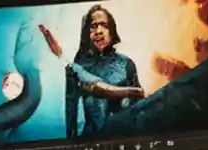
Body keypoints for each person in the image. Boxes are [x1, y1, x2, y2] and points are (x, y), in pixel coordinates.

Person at [45, 5, 145, 139]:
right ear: (87, 34)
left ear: (112, 30)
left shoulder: (126, 64)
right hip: (91, 142)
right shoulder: (79, 66)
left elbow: (138, 108)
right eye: (93, 26)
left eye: (104, 25)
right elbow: (71, 110)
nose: (98, 31)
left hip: (121, 141)